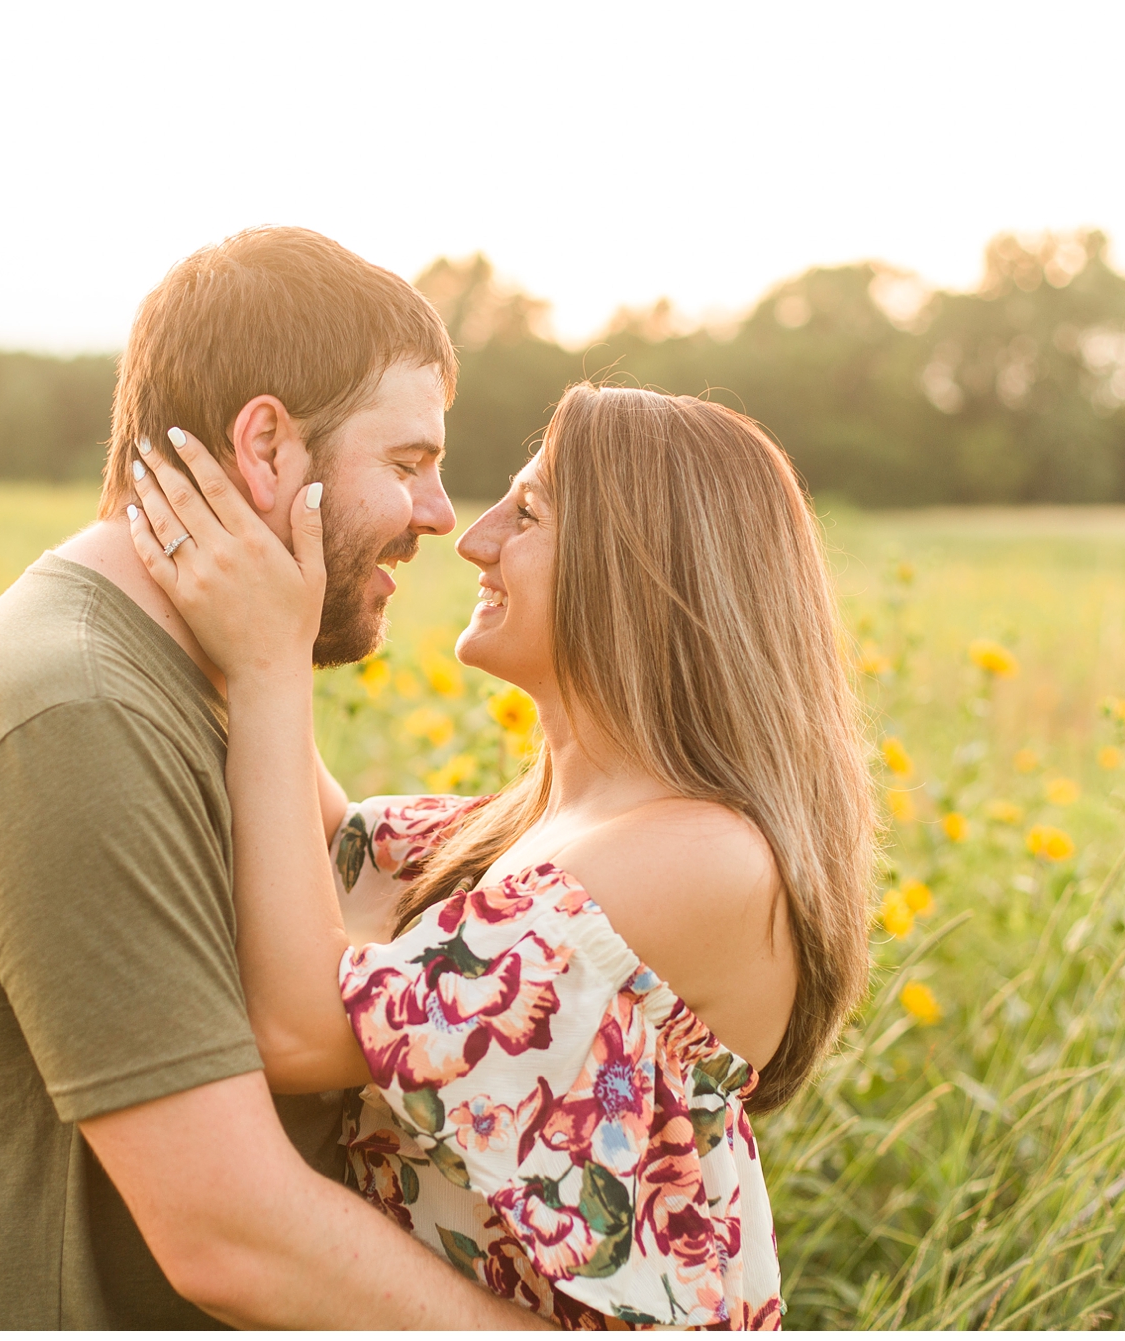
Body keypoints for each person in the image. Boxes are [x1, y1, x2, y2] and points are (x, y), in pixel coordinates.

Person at [0, 227, 544, 1329]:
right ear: (266, 446)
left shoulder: (195, 679)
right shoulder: (76, 714)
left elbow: (378, 902)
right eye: (405, 465)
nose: (438, 517)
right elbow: (227, 1230)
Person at [123, 383, 879, 1328]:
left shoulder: (708, 860)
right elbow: (319, 843)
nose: (474, 539)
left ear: (640, 566)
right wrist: (249, 554)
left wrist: (271, 662)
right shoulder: (530, 829)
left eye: (527, 512)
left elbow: (298, 1025)